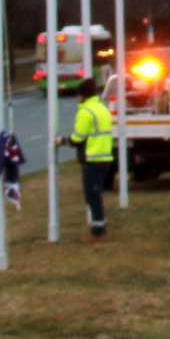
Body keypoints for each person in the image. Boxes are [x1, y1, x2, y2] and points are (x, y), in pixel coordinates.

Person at [70, 83, 118, 241]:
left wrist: (64, 140)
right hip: (105, 156)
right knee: (95, 193)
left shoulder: (85, 111)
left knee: (92, 194)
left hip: (93, 158)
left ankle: (98, 229)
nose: (76, 98)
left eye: (77, 95)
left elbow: (78, 138)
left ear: (83, 95)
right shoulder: (102, 108)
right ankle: (99, 226)